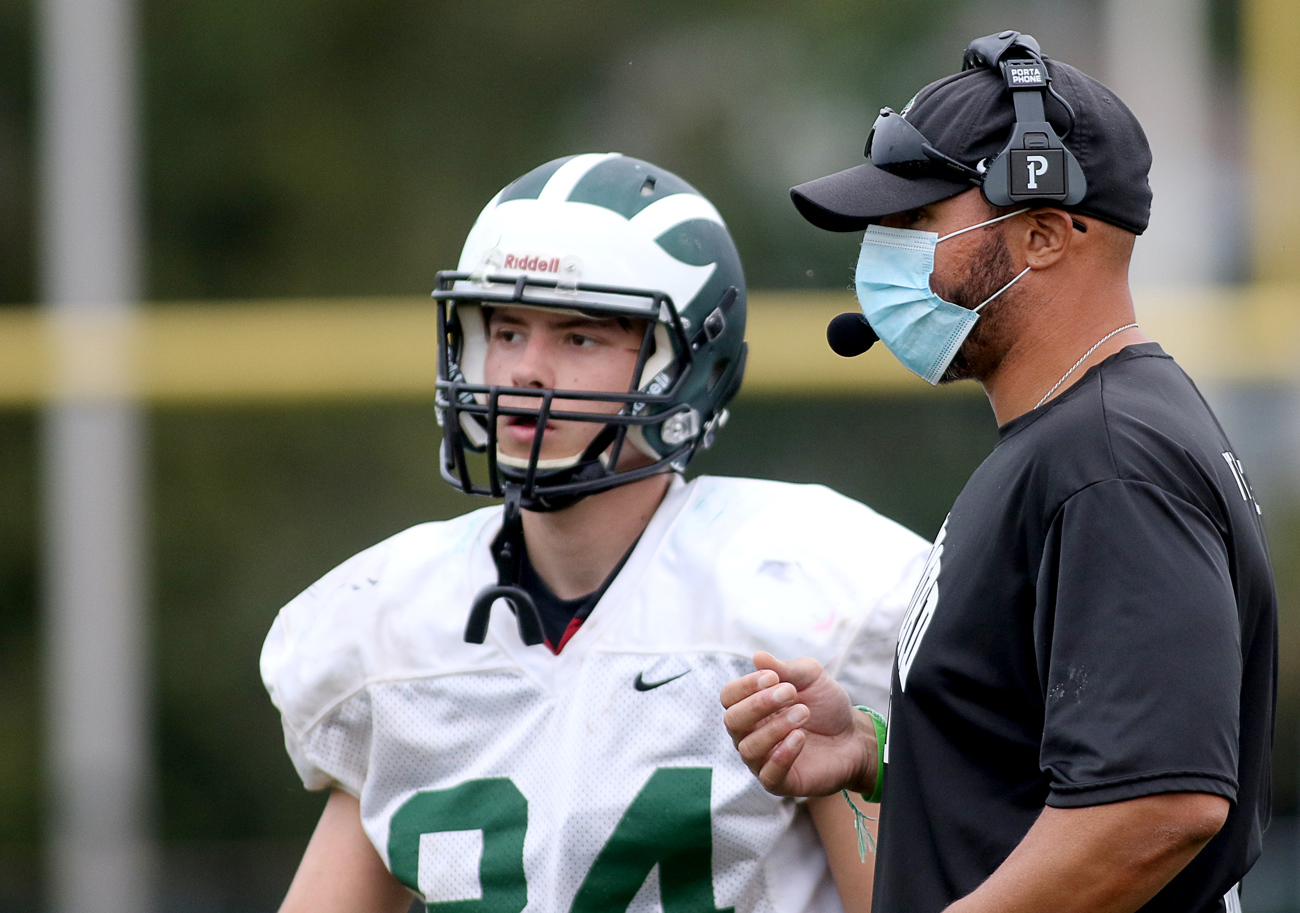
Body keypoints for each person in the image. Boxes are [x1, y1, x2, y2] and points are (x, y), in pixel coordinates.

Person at [261, 152, 931, 913]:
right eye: (506, 330)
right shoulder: (392, 621)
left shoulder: (803, 593)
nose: (525, 371)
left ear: (690, 368)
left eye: (578, 337)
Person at [721, 31, 1277, 913]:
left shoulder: (1109, 457)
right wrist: (879, 749)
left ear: (1047, 234)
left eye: (917, 222)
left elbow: (1157, 804)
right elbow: (1062, 764)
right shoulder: (1077, 438)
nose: (883, 255)